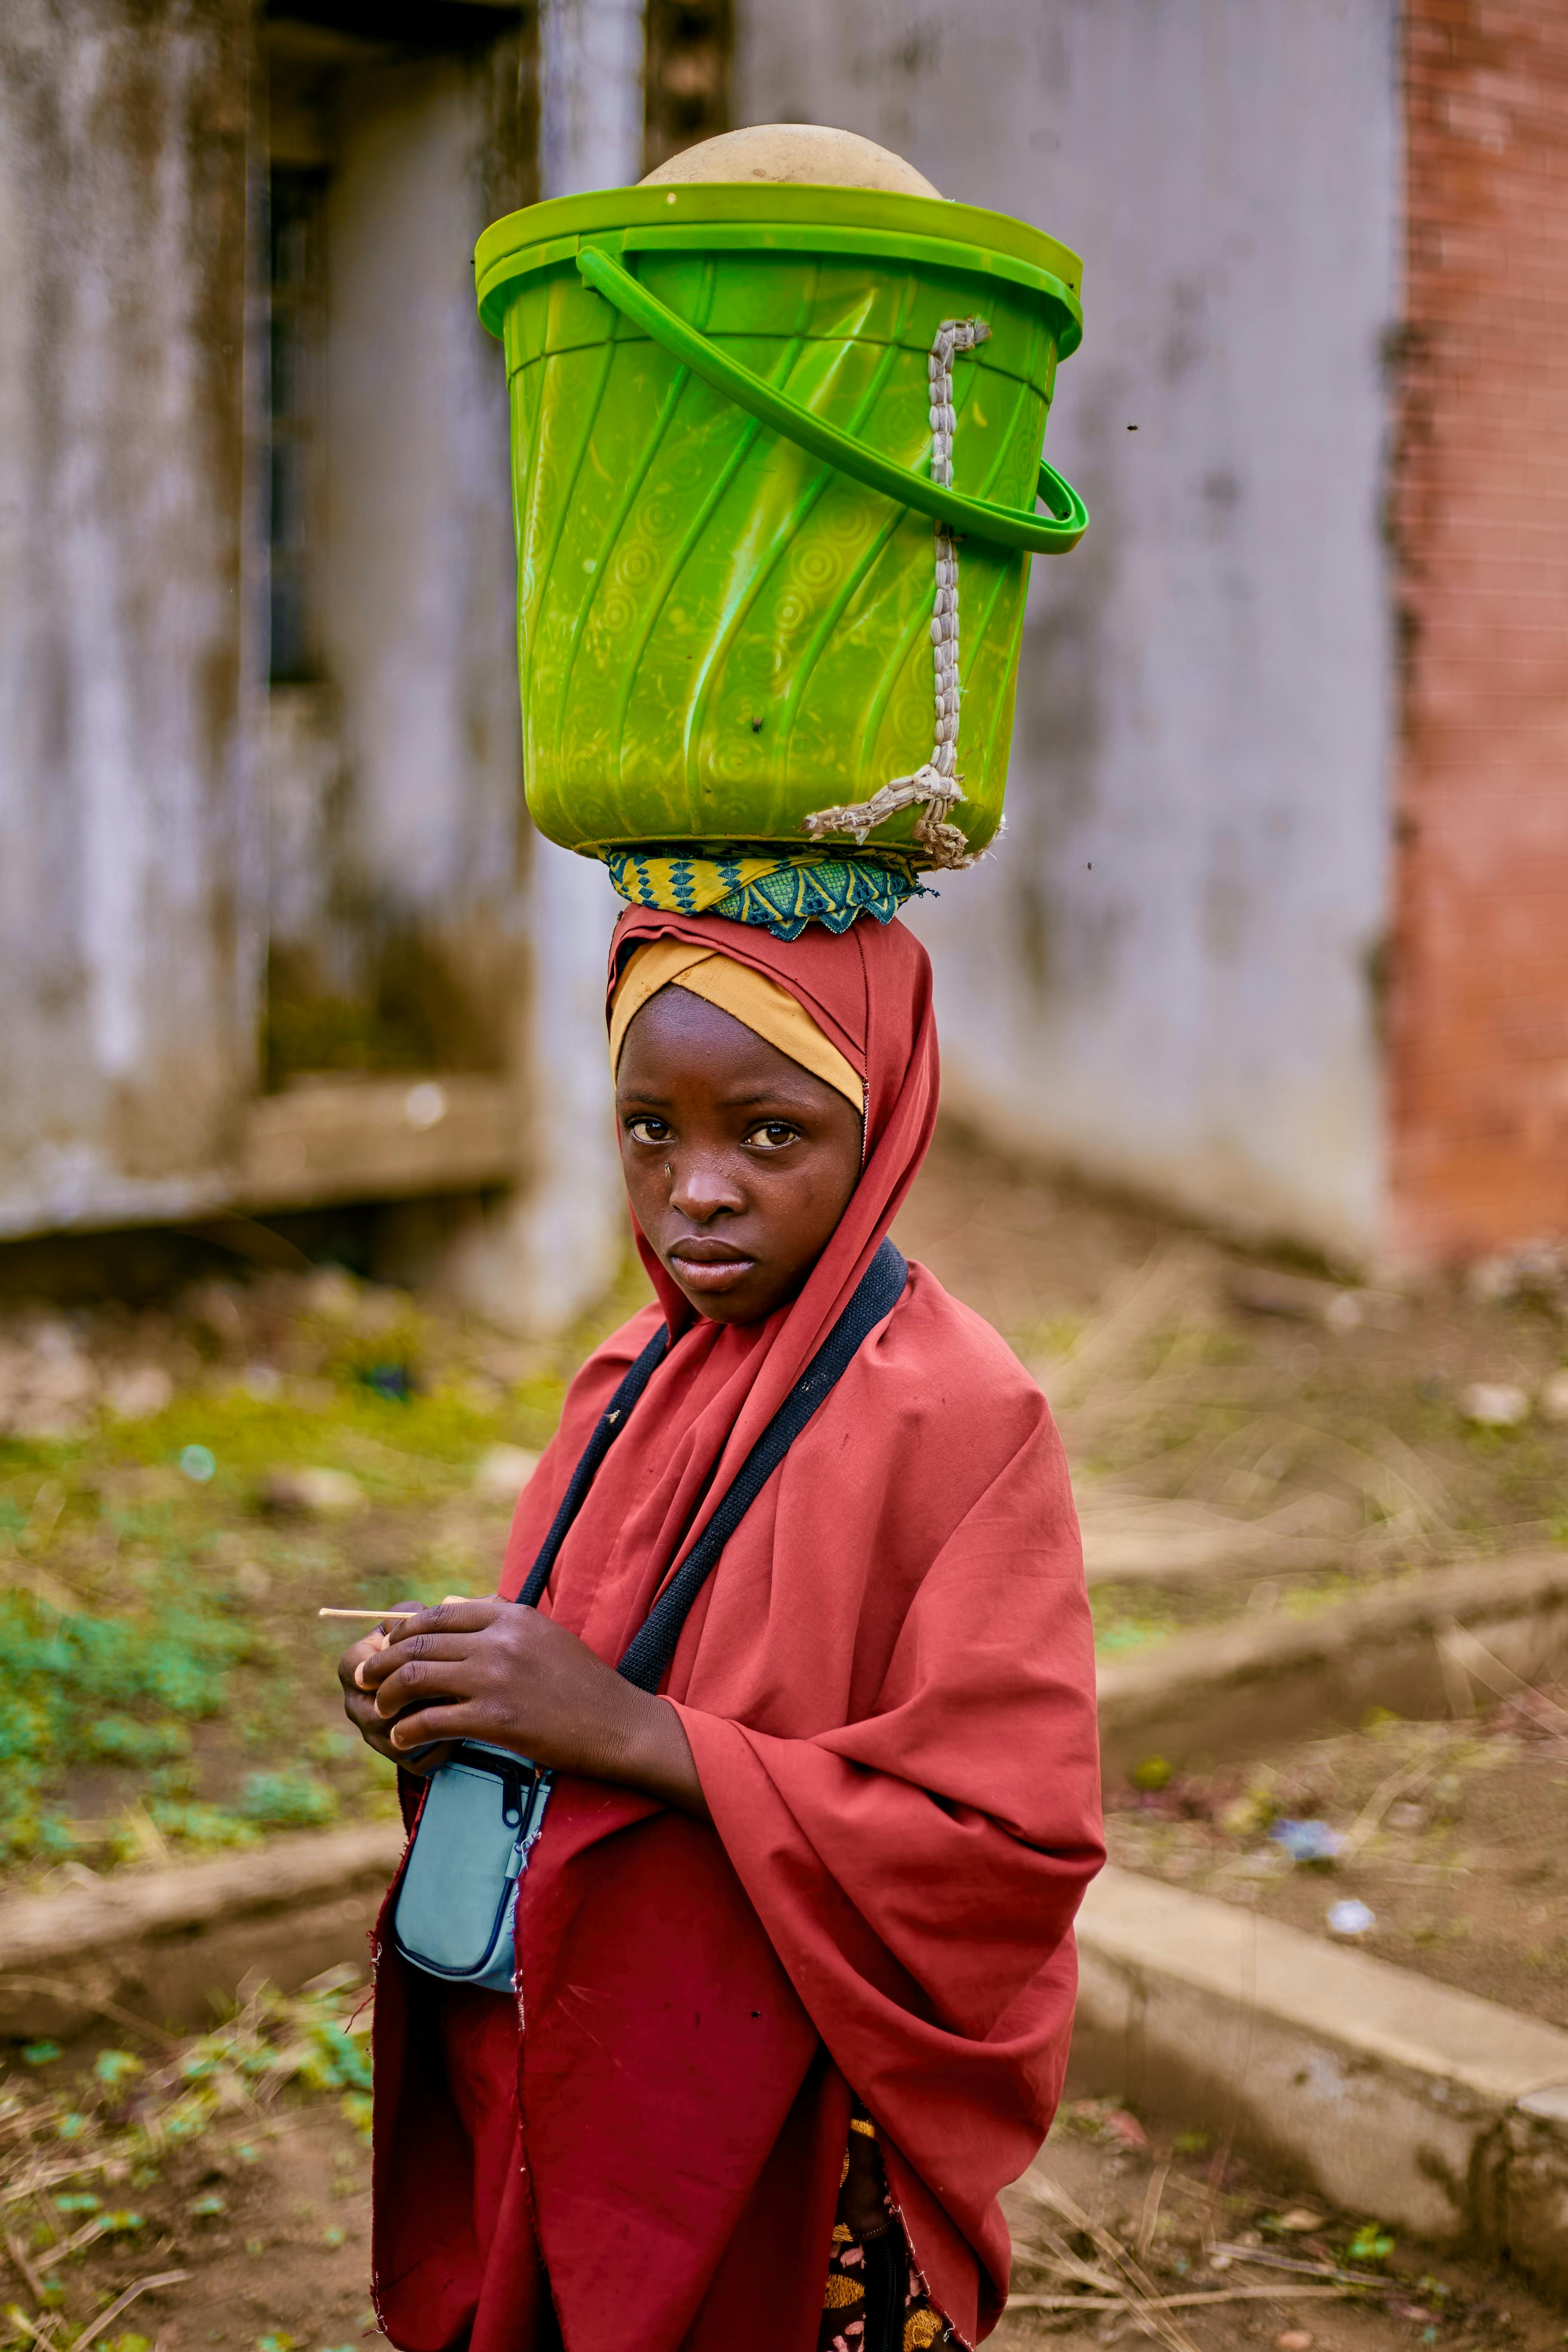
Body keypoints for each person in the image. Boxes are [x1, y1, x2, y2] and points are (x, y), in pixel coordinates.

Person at [338, 903, 1102, 2352]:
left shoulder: (961, 1420)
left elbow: (1008, 1845)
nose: (695, 1191)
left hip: (796, 2125)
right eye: (648, 1131)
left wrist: (629, 1735)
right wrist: (443, 1704)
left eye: (769, 1135)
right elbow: (554, 1717)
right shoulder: (626, 1376)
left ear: (884, 1120)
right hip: (591, 2070)